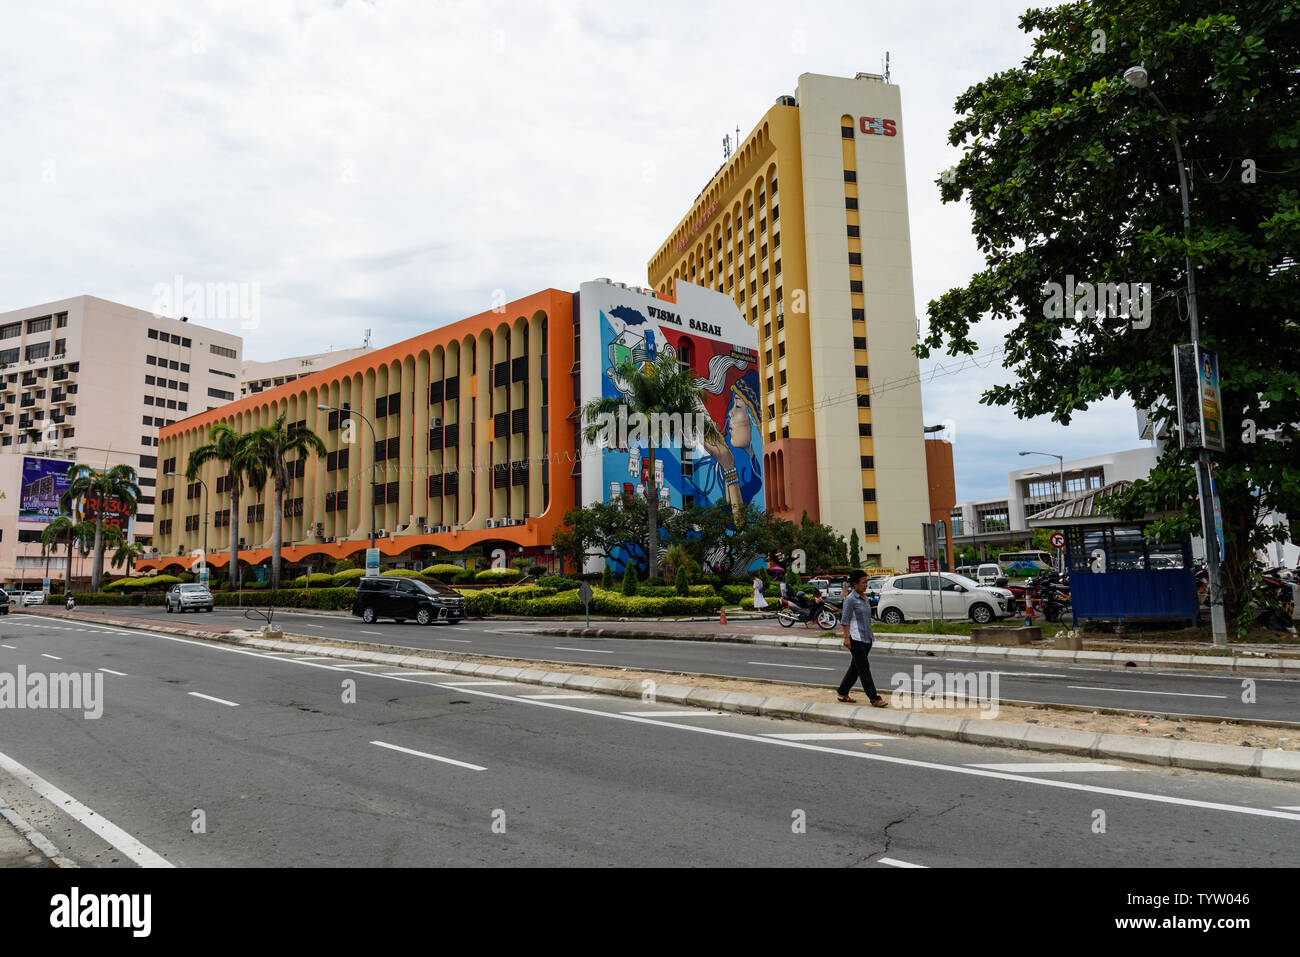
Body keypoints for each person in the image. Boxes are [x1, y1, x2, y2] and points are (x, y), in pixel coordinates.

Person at [835, 569, 886, 707]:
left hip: (867, 638)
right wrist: (846, 638)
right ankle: (874, 698)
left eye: (866, 582)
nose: (866, 585)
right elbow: (845, 621)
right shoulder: (850, 600)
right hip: (855, 638)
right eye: (863, 582)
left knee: (855, 667)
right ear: (854, 583)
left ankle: (842, 691)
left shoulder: (864, 598)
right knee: (864, 668)